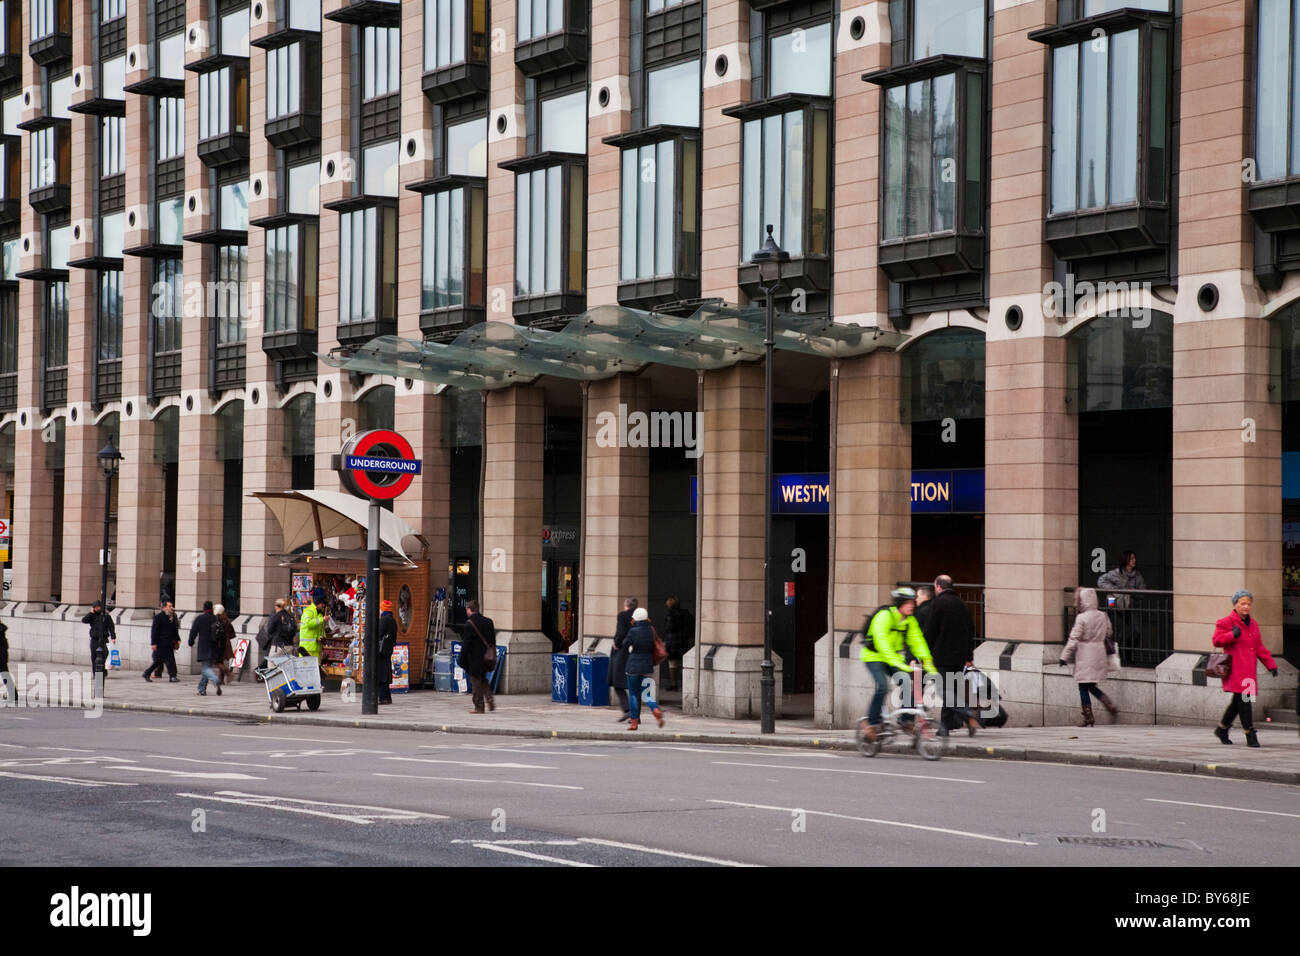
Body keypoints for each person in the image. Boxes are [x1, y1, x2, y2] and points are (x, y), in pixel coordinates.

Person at [860, 588, 937, 742]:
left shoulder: (910, 621)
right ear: (899, 604)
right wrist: (902, 665)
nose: (912, 606)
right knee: (883, 686)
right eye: (908, 603)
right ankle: (871, 723)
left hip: (892, 658)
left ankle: (906, 721)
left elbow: (918, 644)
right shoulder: (884, 617)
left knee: (908, 682)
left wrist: (930, 667)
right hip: (874, 657)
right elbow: (883, 645)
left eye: (912, 602)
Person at [1212, 590, 1279, 748]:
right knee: (1245, 700)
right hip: (1235, 670)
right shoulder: (1226, 622)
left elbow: (1259, 647)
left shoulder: (1253, 624)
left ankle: (1221, 729)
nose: (1246, 606)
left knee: (1238, 702)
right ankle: (1249, 733)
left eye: (1248, 603)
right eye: (1242, 603)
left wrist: (1271, 664)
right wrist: (1231, 635)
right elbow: (1216, 641)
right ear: (1235, 604)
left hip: (1249, 670)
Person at [923, 575, 980, 737]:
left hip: (942, 656)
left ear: (939, 587)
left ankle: (966, 714)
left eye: (935, 587)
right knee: (952, 691)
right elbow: (969, 632)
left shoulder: (938, 603)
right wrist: (968, 657)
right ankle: (945, 727)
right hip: (960, 657)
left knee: (944, 691)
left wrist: (923, 653)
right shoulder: (962, 604)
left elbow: (929, 632)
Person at [1059, 588, 1119, 726]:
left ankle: (1088, 717)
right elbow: (1109, 631)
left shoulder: (1082, 618)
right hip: (1099, 653)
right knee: (1091, 686)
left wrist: (1064, 657)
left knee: (1083, 686)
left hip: (1085, 655)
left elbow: (1074, 638)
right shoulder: (1103, 615)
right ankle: (1109, 705)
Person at [624, 607, 664, 731]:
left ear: (635, 618)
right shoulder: (651, 630)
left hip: (633, 667)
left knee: (634, 695)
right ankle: (655, 709)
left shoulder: (633, 631)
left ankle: (634, 722)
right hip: (647, 667)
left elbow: (625, 644)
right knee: (647, 694)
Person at [459, 600, 497, 714]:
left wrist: (462, 659)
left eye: (467, 610)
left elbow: (466, 645)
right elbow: (493, 641)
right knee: (483, 679)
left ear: (469, 610)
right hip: (487, 658)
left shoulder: (469, 624)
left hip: (474, 659)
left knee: (475, 682)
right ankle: (489, 697)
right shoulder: (489, 622)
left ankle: (479, 707)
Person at [608, 597, 635, 722]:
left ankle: (627, 709)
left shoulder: (623, 615)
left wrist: (616, 644)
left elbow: (620, 632)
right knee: (634, 686)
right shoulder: (641, 617)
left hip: (622, 653)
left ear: (626, 605)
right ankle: (634, 713)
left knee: (618, 683)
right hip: (636, 653)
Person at [189, 600, 222, 696]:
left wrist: (191, 641)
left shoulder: (200, 618)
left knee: (205, 669)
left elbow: (193, 632)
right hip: (214, 647)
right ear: (212, 609)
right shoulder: (216, 619)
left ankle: (215, 680)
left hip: (204, 647)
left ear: (204, 608)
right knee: (206, 668)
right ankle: (201, 689)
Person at [143, 600, 180, 682]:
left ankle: (172, 676)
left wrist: (178, 639)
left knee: (164, 660)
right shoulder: (158, 617)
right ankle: (172, 676)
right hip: (161, 643)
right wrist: (154, 643)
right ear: (164, 607)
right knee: (161, 661)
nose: (171, 608)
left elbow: (174, 630)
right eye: (169, 606)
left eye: (171, 606)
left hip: (169, 642)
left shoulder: (172, 617)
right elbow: (154, 631)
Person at [82, 600, 117, 680]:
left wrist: (113, 637)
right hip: (94, 640)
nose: (97, 608)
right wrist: (91, 613)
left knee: (104, 655)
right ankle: (96, 674)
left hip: (104, 639)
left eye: (98, 607)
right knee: (94, 657)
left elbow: (111, 627)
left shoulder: (106, 616)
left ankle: (103, 671)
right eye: (95, 607)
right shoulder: (92, 616)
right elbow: (84, 620)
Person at [662, 596, 690, 692]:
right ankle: (686, 683)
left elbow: (668, 629)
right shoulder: (685, 614)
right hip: (684, 641)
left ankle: (674, 684)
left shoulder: (670, 615)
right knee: (684, 664)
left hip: (673, 643)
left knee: (673, 665)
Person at [377, 599, 397, 705]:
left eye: (380, 608)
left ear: (383, 609)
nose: (379, 610)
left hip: (381, 651)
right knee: (386, 673)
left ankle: (383, 697)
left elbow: (378, 634)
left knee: (381, 674)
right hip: (388, 650)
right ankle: (387, 697)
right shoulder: (392, 620)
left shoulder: (384, 620)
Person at [297, 588, 327, 659]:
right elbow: (309, 624)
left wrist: (323, 637)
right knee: (305, 669)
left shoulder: (319, 614)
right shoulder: (308, 612)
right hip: (307, 649)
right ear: (318, 603)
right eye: (322, 604)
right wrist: (322, 619)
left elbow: (320, 629)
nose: (323, 606)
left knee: (315, 669)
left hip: (316, 648)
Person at [213, 604, 235, 685]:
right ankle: (221, 680)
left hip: (219, 642)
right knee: (221, 660)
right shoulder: (226, 619)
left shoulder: (216, 619)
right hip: (226, 642)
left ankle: (227, 672)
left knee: (216, 661)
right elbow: (232, 633)